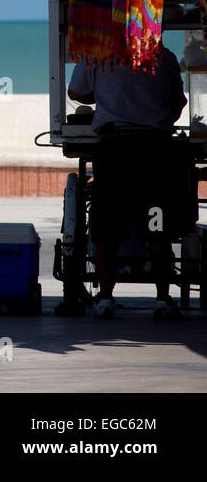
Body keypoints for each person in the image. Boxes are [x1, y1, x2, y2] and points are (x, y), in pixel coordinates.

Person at [67, 42, 188, 319]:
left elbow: (76, 91)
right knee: (157, 224)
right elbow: (176, 103)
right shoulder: (163, 56)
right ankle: (162, 298)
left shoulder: (97, 51)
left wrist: (107, 94)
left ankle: (106, 298)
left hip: (115, 150)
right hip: (156, 151)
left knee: (107, 226)